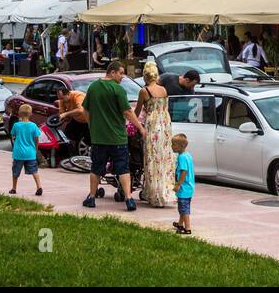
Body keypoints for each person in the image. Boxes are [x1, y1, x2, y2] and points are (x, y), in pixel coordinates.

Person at [81, 60, 144, 211]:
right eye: (121, 73)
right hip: (118, 138)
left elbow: (85, 110)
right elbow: (128, 112)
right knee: (123, 168)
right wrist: (140, 128)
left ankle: (91, 197)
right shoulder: (118, 90)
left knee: (96, 168)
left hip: (99, 138)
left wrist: (92, 125)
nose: (122, 77)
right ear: (112, 72)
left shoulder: (93, 87)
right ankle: (129, 199)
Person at [135, 61, 176, 208]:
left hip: (152, 126)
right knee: (163, 159)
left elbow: (138, 112)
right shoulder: (164, 90)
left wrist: (134, 124)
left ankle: (154, 194)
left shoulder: (144, 91)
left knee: (152, 159)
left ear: (145, 75)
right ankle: (166, 191)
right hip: (165, 125)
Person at [9, 103, 44, 196]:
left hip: (18, 153)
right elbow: (36, 138)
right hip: (30, 153)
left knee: (15, 172)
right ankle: (39, 187)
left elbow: (13, 136)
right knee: (34, 171)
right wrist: (35, 149)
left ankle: (14, 188)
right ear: (31, 114)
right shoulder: (33, 126)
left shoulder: (16, 125)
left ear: (19, 114)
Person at [172, 133, 194, 235]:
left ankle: (187, 228)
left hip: (184, 187)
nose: (172, 146)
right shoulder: (187, 155)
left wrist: (178, 184)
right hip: (189, 187)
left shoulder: (182, 158)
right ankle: (180, 224)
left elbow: (184, 171)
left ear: (180, 146)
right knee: (183, 207)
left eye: (173, 144)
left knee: (184, 209)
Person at [55, 84, 89, 151]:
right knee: (68, 133)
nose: (61, 100)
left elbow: (81, 110)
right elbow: (62, 113)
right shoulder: (62, 100)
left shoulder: (78, 96)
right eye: (59, 98)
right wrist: (62, 117)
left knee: (88, 140)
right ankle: (74, 148)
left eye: (62, 98)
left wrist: (65, 114)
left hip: (89, 120)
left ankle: (89, 153)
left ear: (68, 94)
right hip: (77, 119)